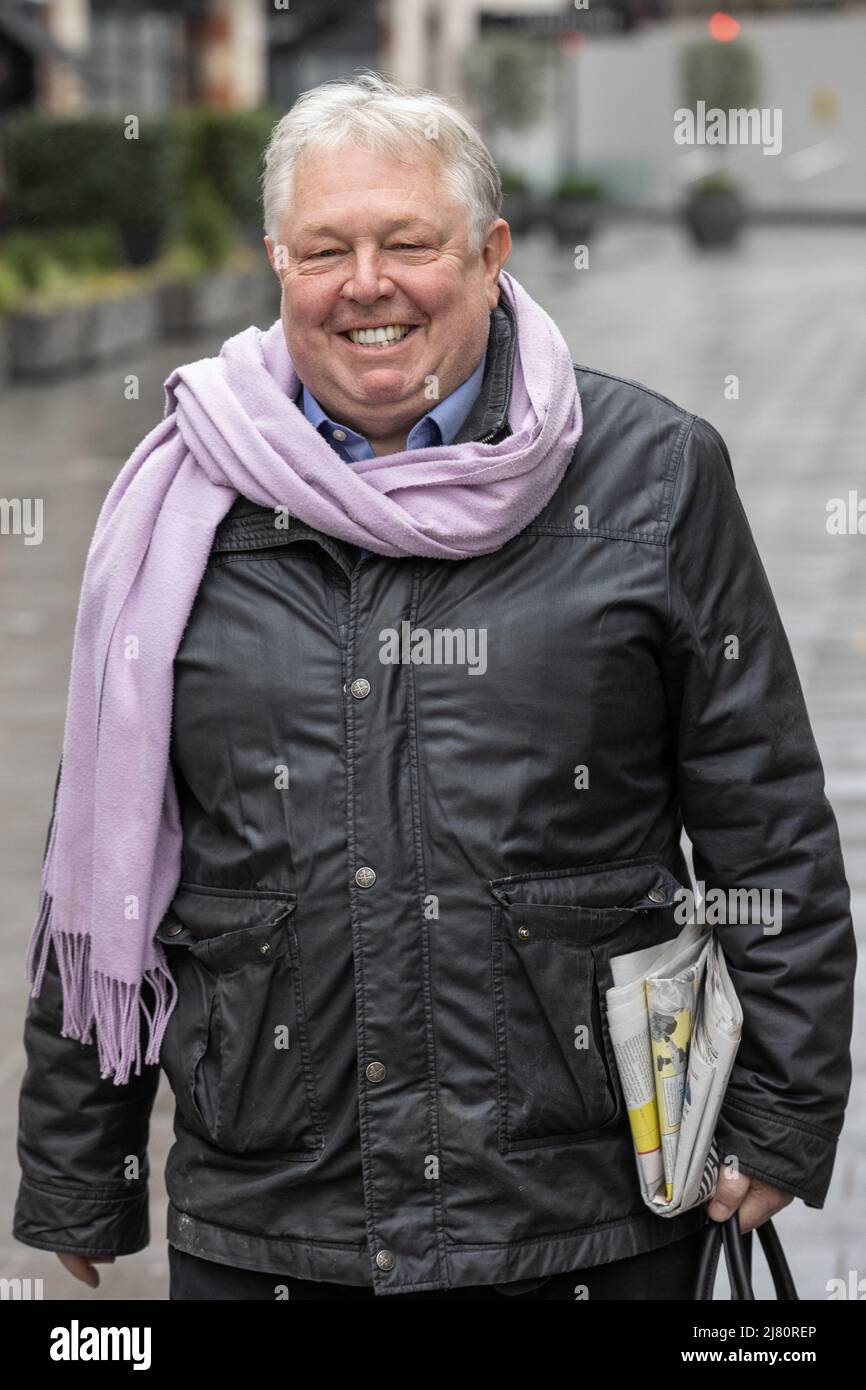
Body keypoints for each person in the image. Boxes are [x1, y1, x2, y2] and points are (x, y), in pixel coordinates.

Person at [13, 72, 855, 1302]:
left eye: (407, 243)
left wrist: (781, 1113)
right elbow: (102, 841)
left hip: (580, 1215)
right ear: (276, 263)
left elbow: (762, 818)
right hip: (272, 1216)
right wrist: (77, 1161)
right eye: (324, 249)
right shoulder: (181, 502)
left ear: (488, 251)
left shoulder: (653, 475)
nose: (366, 282)